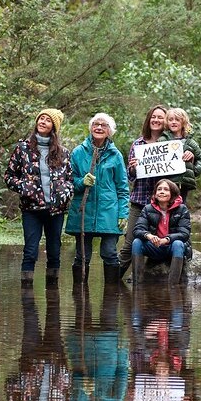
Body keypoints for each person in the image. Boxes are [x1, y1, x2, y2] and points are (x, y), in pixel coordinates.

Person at [5, 108, 74, 288]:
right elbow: (9, 176)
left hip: (55, 210)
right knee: (30, 251)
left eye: (47, 120)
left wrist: (65, 191)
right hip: (31, 210)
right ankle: (26, 296)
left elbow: (70, 179)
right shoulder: (23, 149)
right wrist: (24, 187)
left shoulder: (63, 152)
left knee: (54, 252)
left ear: (54, 127)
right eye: (41, 119)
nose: (43, 122)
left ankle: (53, 297)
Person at [66, 113, 130, 285]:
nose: (99, 127)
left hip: (109, 212)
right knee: (82, 255)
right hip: (84, 210)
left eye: (104, 125)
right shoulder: (78, 152)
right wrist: (81, 182)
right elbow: (68, 181)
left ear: (110, 131)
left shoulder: (115, 155)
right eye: (96, 124)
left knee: (109, 253)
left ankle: (111, 297)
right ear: (90, 128)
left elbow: (122, 187)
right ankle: (80, 300)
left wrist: (123, 213)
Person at [119, 105, 173, 276]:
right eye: (153, 117)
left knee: (162, 243)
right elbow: (130, 176)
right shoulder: (138, 144)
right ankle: (112, 285)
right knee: (129, 244)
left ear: (166, 121)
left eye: (160, 117)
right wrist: (134, 168)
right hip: (139, 201)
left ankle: (147, 285)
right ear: (149, 120)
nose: (156, 120)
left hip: (163, 205)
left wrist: (189, 157)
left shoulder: (171, 144)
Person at [131, 179, 192, 285]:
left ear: (172, 193)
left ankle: (173, 286)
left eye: (166, 189)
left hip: (172, 247)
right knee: (137, 242)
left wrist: (167, 239)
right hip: (154, 246)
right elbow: (137, 229)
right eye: (159, 189)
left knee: (178, 243)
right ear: (155, 193)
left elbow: (184, 233)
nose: (162, 192)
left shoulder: (182, 209)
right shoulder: (147, 208)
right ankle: (137, 284)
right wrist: (148, 235)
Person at [162, 108, 201, 203]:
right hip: (165, 183)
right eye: (170, 120)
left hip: (183, 183)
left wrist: (193, 169)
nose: (173, 122)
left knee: (180, 207)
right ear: (167, 122)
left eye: (177, 120)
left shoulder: (190, 142)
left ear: (183, 122)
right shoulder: (162, 140)